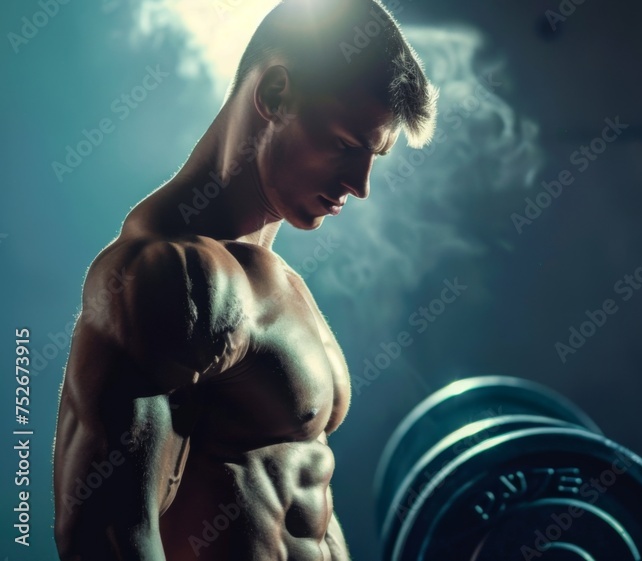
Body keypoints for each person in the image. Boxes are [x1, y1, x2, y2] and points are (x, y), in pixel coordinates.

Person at [53, 1, 437, 559]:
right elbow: (107, 537)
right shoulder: (166, 279)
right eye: (346, 146)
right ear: (276, 94)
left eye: (374, 157)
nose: (360, 185)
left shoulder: (278, 281)